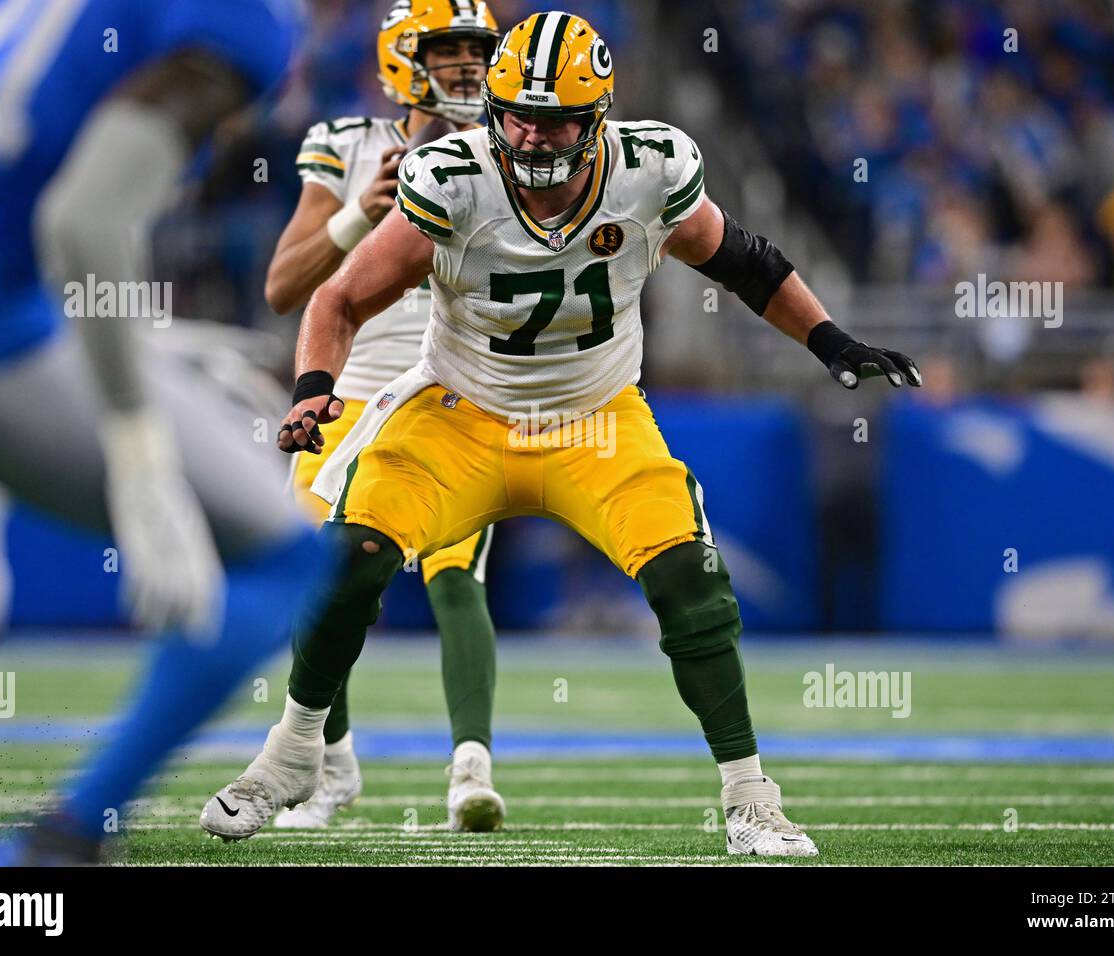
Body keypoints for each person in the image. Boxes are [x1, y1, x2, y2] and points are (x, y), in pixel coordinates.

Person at [203, 11, 921, 856]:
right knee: (348, 557)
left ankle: (749, 796)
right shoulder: (453, 178)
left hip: (596, 419)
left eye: (558, 120)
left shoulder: (649, 169)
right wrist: (315, 387)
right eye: (520, 115)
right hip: (460, 414)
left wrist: (831, 342)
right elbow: (338, 297)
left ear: (601, 117)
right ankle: (292, 754)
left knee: (690, 578)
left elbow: (747, 263)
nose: (535, 136)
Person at [0, 0, 332, 864]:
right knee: (282, 552)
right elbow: (82, 223)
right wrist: (139, 455)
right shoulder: (240, 16)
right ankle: (61, 843)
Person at [264, 0, 505, 832]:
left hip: (444, 385)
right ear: (405, 59)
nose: (470, 67)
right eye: (451, 51)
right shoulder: (347, 143)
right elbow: (283, 286)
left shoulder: (510, 150)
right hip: (347, 385)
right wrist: (355, 214)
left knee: (454, 577)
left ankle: (470, 767)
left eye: (479, 50)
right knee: (315, 582)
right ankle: (332, 770)